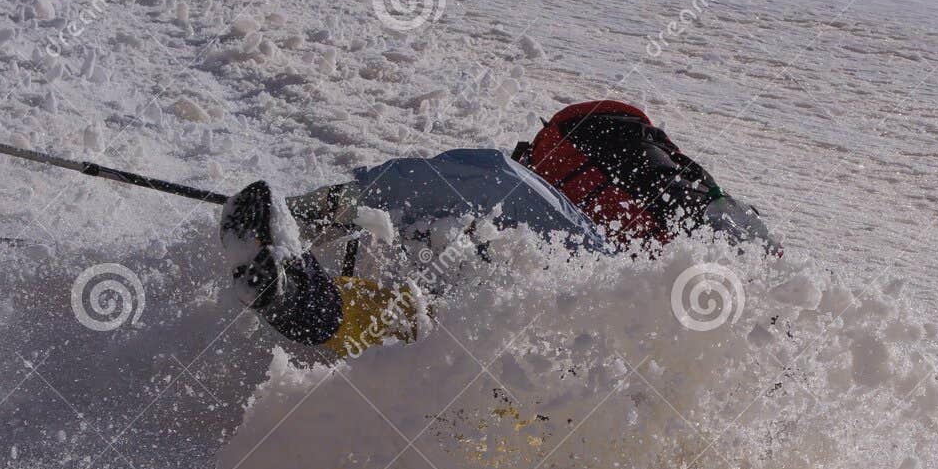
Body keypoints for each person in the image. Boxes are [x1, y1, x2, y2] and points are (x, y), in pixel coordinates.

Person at [220, 101, 777, 355]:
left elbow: (499, 181)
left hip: (627, 305)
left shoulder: (612, 141)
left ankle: (315, 215)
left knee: (492, 182)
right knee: (467, 307)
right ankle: (316, 309)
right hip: (602, 347)